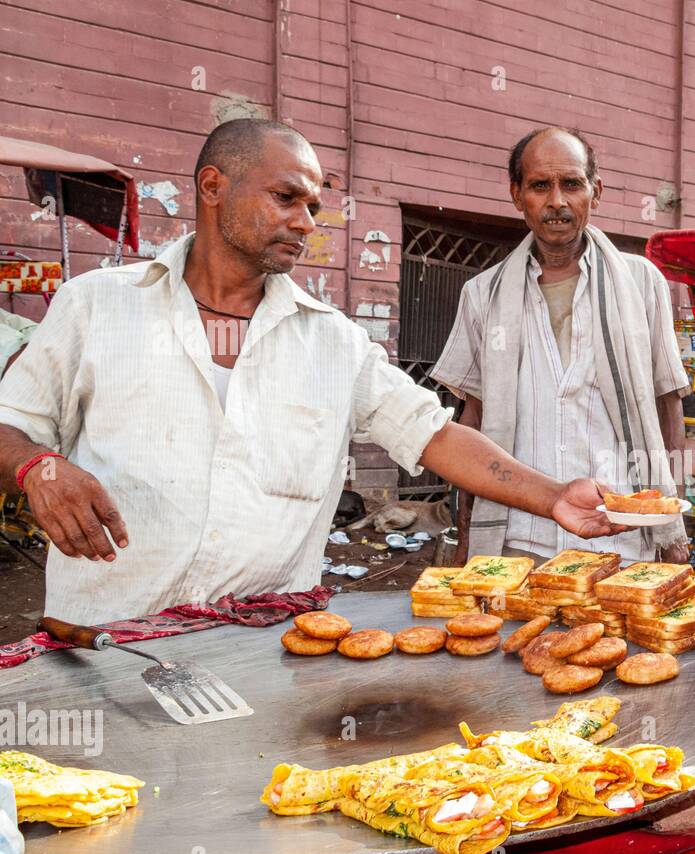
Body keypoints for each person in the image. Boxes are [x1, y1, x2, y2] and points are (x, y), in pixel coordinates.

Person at [0, 120, 623, 626]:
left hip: (260, 647)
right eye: (286, 197)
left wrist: (554, 496)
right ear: (213, 186)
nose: (305, 221)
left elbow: (434, 434)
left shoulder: (333, 341)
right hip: (102, 636)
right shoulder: (98, 305)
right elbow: (9, 425)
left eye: (314, 205)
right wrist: (39, 469)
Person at [434, 126, 691, 567]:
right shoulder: (483, 294)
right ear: (517, 195)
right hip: (519, 539)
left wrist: (670, 528)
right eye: (540, 185)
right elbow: (471, 422)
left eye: (571, 184)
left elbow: (667, 406)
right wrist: (465, 536)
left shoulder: (641, 282)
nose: (557, 201)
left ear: (596, 191)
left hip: (622, 533)